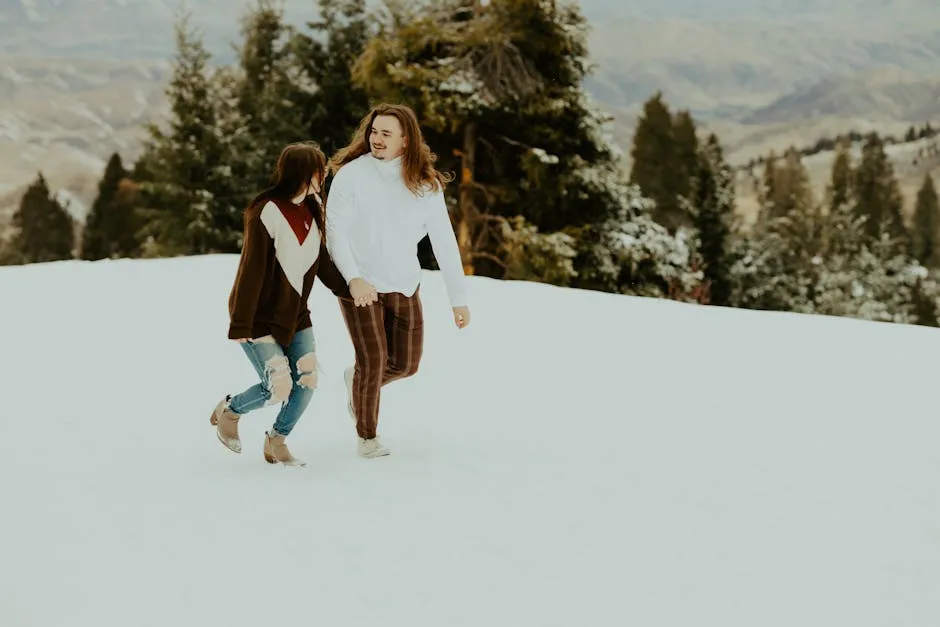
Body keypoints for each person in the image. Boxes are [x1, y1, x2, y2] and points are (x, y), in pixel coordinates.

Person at [324, 103, 470, 459]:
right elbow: (335, 234)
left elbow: (444, 241)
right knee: (372, 362)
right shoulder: (351, 176)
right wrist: (354, 278)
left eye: (386, 134)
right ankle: (367, 437)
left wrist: (458, 298)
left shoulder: (425, 185)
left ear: (406, 141)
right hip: (359, 284)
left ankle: (356, 381)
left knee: (405, 364)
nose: (376, 139)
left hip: (404, 283)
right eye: (374, 131)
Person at [210, 141, 329, 467]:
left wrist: (354, 291)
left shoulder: (313, 209)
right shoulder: (267, 211)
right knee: (277, 385)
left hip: (296, 316)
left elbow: (324, 264)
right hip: (258, 315)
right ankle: (230, 411)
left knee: (306, 381)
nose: (325, 175)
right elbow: (251, 270)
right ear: (305, 173)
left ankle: (276, 440)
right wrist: (241, 324)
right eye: (321, 169)